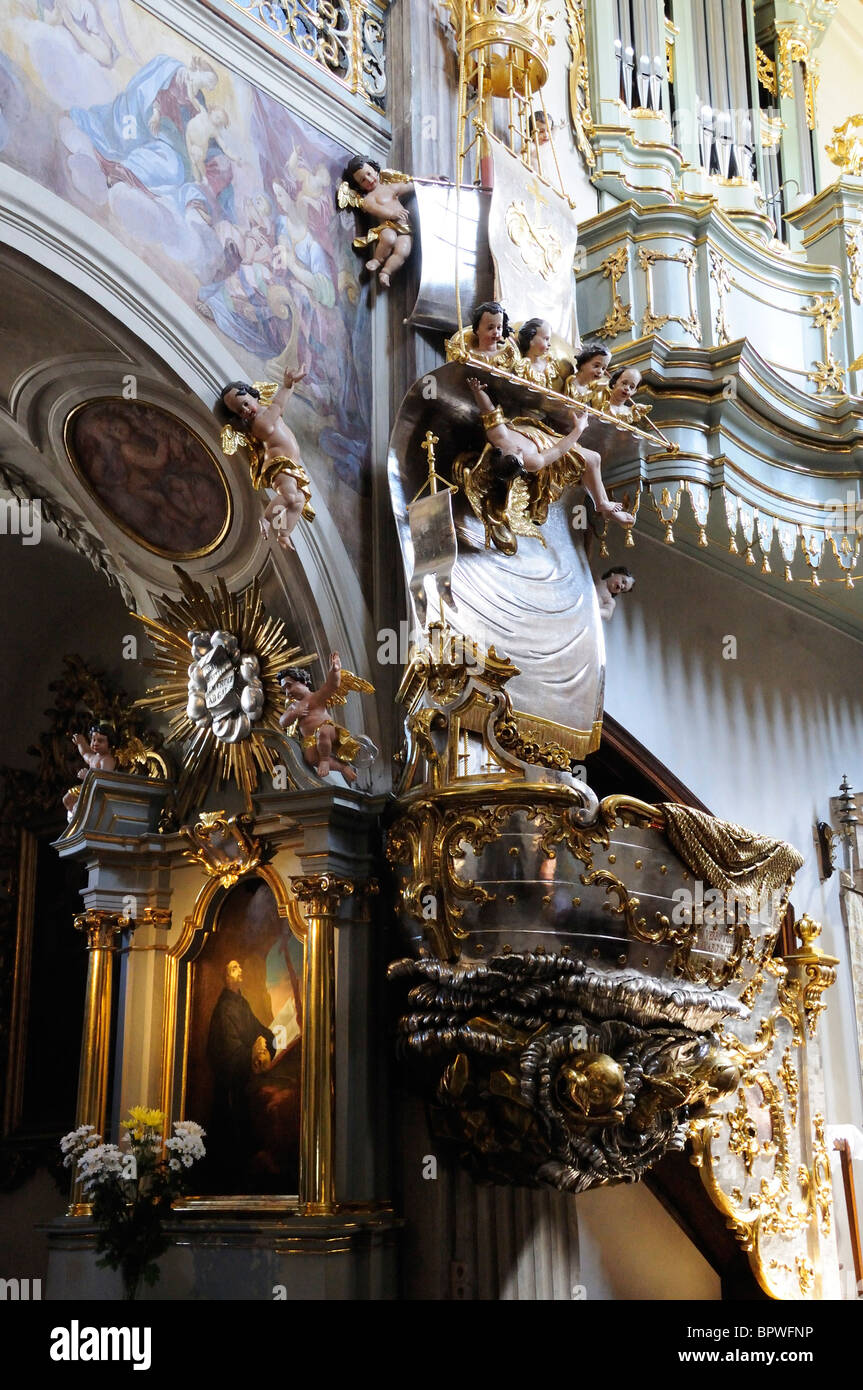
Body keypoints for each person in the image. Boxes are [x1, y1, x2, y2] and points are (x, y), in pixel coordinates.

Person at [465, 378, 635, 528]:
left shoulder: (498, 435)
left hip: (543, 436)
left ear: (501, 452)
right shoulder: (532, 462)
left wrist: (477, 391)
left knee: (593, 461)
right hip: (553, 456)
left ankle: (603, 505)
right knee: (593, 459)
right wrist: (579, 428)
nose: (520, 452)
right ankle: (602, 504)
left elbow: (488, 410)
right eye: (520, 457)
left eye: (516, 453)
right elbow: (559, 450)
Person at [219, 366, 315, 548]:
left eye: (245, 404)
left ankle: (284, 533)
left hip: (291, 465)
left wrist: (289, 384)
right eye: (240, 411)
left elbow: (278, 405)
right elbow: (278, 404)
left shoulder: (264, 414)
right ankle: (265, 519)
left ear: (254, 395)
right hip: (278, 465)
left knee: (298, 499)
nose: (246, 411)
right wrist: (287, 386)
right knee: (288, 496)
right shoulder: (261, 422)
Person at [205, 959, 275, 1183]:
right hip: (231, 1087)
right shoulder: (224, 1008)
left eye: (239, 967)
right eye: (234, 969)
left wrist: (272, 1037)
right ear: (226, 978)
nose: (240, 970)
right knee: (233, 1140)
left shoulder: (240, 1003)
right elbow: (228, 1050)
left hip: (243, 1079)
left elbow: (257, 1028)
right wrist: (251, 1053)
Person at [278, 652, 375, 783]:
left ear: (304, 682)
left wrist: (335, 669)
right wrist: (295, 713)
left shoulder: (316, 697)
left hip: (328, 731)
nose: (287, 692)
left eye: (289, 685)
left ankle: (325, 760)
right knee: (311, 758)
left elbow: (332, 685)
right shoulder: (293, 706)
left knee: (322, 733)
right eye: (284, 689)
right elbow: (282, 722)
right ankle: (342, 767)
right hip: (310, 739)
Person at [340, 156, 413, 287]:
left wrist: (431, 180)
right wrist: (393, 214)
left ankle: (386, 272)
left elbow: (411, 184)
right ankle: (377, 259)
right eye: (363, 180)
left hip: (405, 227)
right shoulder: (368, 199)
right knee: (389, 238)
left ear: (374, 169)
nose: (369, 179)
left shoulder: (390, 187)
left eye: (369, 173)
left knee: (403, 252)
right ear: (359, 185)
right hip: (388, 226)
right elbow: (377, 210)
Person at [445, 301, 521, 370]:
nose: (495, 332)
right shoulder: (471, 357)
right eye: (490, 328)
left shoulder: (507, 356)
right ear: (477, 329)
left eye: (499, 327)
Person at [63, 721, 117, 814]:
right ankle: (76, 818)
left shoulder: (107, 760)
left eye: (100, 741)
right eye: (93, 739)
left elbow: (104, 780)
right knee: (67, 799)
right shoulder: (94, 757)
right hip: (88, 786)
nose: (95, 743)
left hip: (97, 791)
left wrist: (87, 776)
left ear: (110, 743)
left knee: (78, 808)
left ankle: (81, 818)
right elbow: (85, 753)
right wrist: (81, 742)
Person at [515, 317, 561, 390]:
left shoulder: (549, 363)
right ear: (531, 339)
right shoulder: (524, 367)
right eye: (546, 339)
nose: (549, 344)